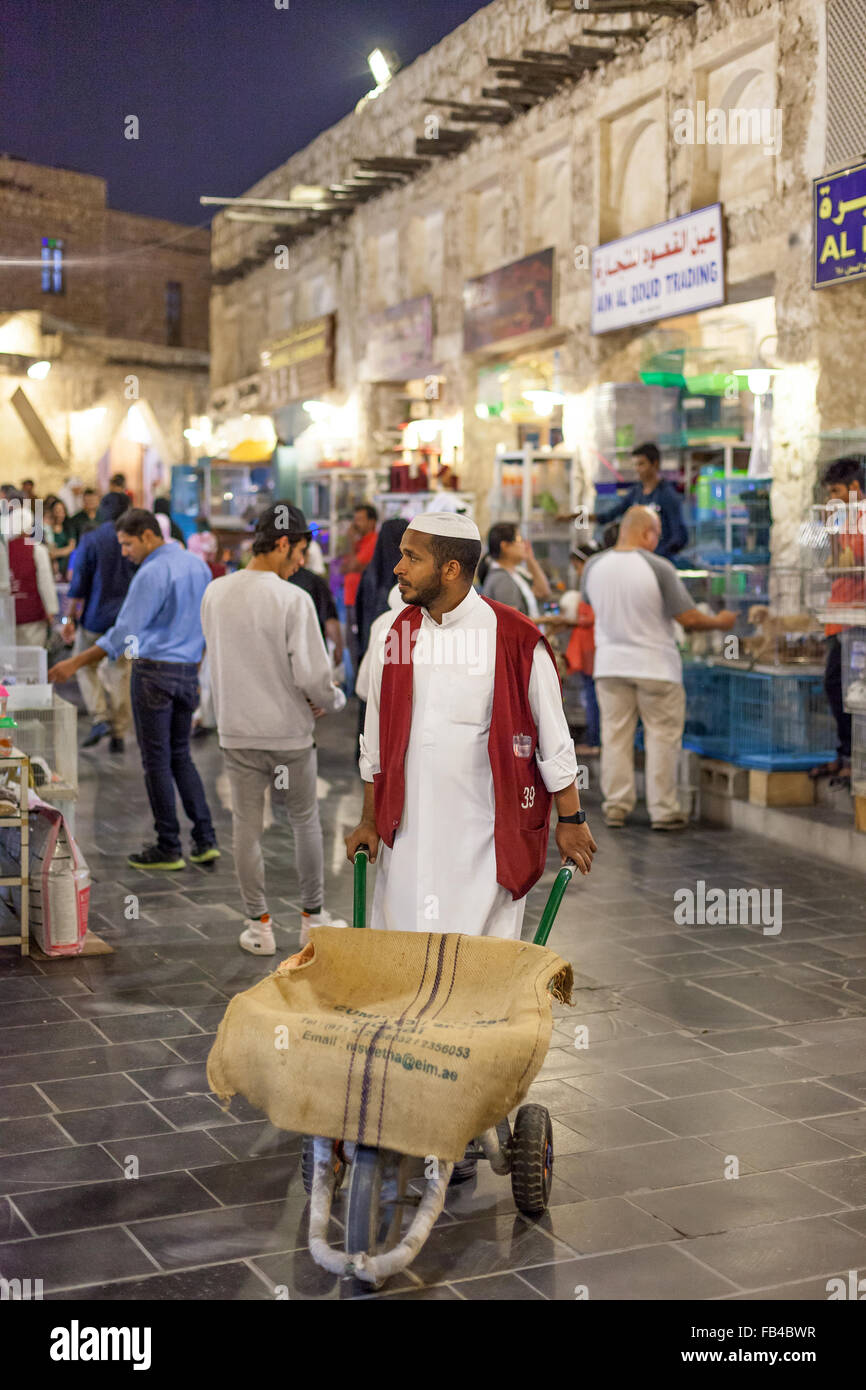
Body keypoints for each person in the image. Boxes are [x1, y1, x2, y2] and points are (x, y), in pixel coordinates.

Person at [346, 510, 596, 943]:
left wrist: (571, 818)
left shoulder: (515, 639)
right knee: (404, 965)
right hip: (406, 845)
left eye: (411, 557)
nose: (397, 568)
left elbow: (555, 743)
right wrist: (369, 819)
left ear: (451, 569)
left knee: (476, 973)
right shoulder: (397, 635)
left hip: (484, 850)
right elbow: (376, 744)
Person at [201, 503, 347, 955]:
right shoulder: (292, 599)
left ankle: (259, 928)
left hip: (237, 732)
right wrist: (332, 700)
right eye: (301, 550)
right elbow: (313, 677)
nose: (302, 561)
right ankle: (312, 921)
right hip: (289, 734)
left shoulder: (216, 593)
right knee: (304, 822)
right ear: (283, 543)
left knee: (246, 827)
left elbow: (216, 661)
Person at [47, 508, 218, 870]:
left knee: (156, 761)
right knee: (180, 756)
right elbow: (206, 623)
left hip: (155, 673)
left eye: (127, 544)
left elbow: (124, 633)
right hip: (187, 672)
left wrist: (75, 663)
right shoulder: (196, 565)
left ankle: (168, 846)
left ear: (147, 536)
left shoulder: (152, 571)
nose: (125, 553)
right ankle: (205, 840)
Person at [582, 506, 736, 830]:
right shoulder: (658, 567)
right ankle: (663, 810)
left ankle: (616, 807)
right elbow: (689, 618)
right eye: (656, 535)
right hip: (655, 667)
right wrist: (721, 621)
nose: (657, 541)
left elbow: (589, 605)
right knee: (661, 738)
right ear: (645, 533)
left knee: (615, 737)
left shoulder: (593, 566)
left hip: (609, 666)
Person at [809, 457, 866, 788]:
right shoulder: (844, 519)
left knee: (849, 688)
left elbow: (852, 560)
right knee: (836, 687)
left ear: (855, 489)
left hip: (856, 616)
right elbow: (832, 562)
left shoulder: (861, 520)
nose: (830, 498)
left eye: (835, 491)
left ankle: (853, 757)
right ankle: (845, 754)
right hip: (839, 613)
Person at [65, 492, 135, 753]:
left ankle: (100, 717)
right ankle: (118, 732)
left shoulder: (92, 539)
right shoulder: (134, 540)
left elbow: (78, 584)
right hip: (125, 620)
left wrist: (68, 618)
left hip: (94, 618)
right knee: (120, 672)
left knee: (84, 665)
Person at [541, 545, 601, 755]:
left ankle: (595, 741)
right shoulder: (594, 580)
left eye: (578, 566)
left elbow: (590, 617)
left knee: (593, 692)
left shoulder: (594, 581)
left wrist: (571, 620)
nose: (577, 571)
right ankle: (595, 739)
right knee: (591, 691)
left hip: (592, 648)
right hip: (591, 647)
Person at [595, 443, 688, 560]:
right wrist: (579, 517)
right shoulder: (636, 492)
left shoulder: (667, 495)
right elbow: (609, 515)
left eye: (641, 464)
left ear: (655, 464)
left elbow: (679, 537)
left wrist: (658, 556)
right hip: (637, 558)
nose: (637, 469)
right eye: (635, 465)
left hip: (658, 560)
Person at [355, 517, 408, 662]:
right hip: (401, 650)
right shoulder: (409, 574)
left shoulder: (370, 573)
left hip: (371, 646)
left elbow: (359, 614)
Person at [8, 503, 58, 646]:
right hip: (32, 614)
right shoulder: (37, 549)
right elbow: (45, 582)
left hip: (6, 615)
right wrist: (51, 610)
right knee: (32, 660)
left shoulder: (3, 550)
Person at [481, 523, 552, 617]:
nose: (524, 545)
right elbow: (512, 622)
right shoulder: (502, 579)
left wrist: (530, 559)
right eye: (519, 539)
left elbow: (543, 593)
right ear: (505, 546)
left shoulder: (516, 573)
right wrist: (550, 620)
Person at [342, 503, 378, 680]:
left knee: (357, 644)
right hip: (349, 598)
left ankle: (360, 686)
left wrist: (350, 542)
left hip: (361, 600)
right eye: (354, 519)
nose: (355, 524)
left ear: (372, 522)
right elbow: (342, 567)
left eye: (360, 520)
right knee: (350, 643)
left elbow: (353, 565)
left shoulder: (373, 541)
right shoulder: (359, 543)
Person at [289, 548, 343, 660]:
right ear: (306, 555)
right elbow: (330, 621)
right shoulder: (316, 582)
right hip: (312, 653)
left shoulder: (276, 581)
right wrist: (338, 648)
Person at [45, 497, 75, 579]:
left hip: (67, 570)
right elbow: (49, 554)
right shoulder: (46, 529)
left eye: (62, 511)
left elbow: (72, 548)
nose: (59, 514)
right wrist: (66, 550)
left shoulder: (69, 528)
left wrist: (55, 553)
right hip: (50, 571)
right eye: (56, 511)